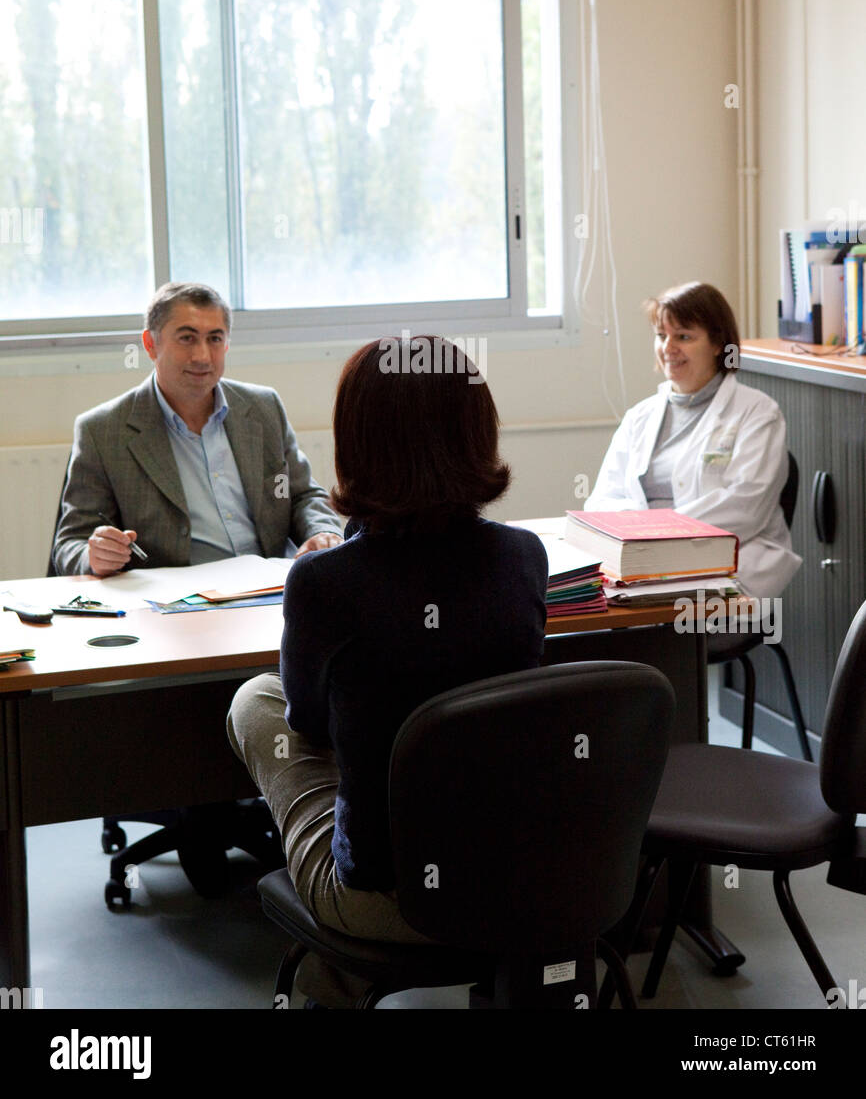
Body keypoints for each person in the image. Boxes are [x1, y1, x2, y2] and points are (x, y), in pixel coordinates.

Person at [227, 336, 548, 1007]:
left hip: (387, 895)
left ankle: (334, 974)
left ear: (358, 443)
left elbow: (308, 724)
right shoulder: (525, 556)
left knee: (256, 703)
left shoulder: (324, 582)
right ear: (477, 433)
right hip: (517, 877)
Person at [52, 282, 342, 576]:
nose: (202, 356)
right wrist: (95, 556)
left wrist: (323, 532)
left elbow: (303, 496)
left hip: (268, 589)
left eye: (214, 339)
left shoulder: (263, 408)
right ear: (151, 344)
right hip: (173, 605)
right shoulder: (102, 431)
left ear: (227, 344)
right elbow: (70, 544)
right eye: (187, 338)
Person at [585, 282, 801, 599]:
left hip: (724, 572)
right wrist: (642, 539)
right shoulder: (639, 417)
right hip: (639, 568)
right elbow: (600, 502)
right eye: (662, 336)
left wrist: (655, 535)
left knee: (647, 635)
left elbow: (746, 507)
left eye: (684, 336)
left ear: (717, 344)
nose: (668, 347)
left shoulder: (757, 412)